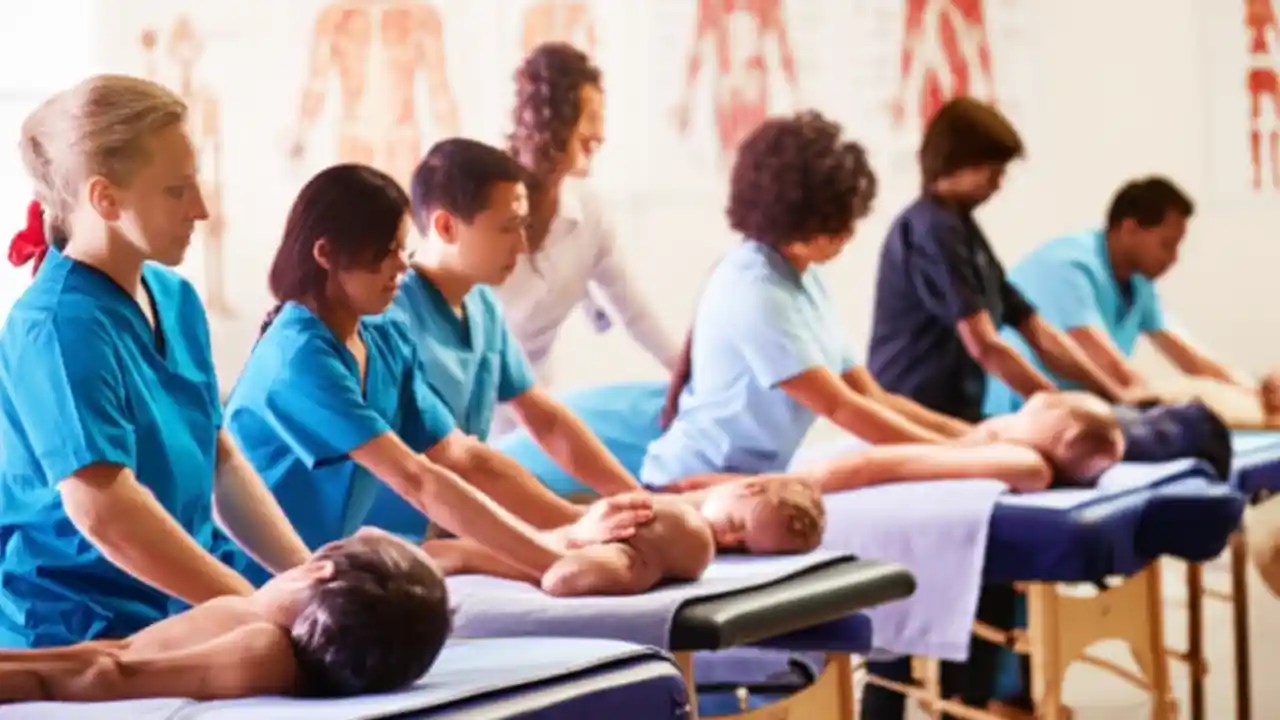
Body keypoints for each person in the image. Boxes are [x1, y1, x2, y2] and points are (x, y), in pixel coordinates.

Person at [221, 162, 654, 591]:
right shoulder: (299, 359)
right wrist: (556, 561)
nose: (401, 267)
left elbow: (462, 456)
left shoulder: (383, 333)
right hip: (258, 579)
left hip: (325, 572)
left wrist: (576, 527)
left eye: (401, 249)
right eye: (385, 252)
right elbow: (416, 479)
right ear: (326, 254)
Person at [0, 74, 312, 650]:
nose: (201, 209)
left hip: (180, 605)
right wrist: (256, 608)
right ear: (105, 199)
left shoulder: (176, 299)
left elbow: (219, 458)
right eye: (177, 190)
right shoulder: (55, 326)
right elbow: (104, 510)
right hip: (78, 628)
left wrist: (306, 582)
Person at [642, 109, 979, 502]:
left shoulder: (804, 276)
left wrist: (972, 438)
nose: (850, 232)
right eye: (838, 224)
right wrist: (964, 458)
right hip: (694, 487)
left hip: (750, 482)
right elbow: (842, 408)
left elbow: (873, 397)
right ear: (795, 224)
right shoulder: (754, 290)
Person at [367, 137, 660, 540]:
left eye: (524, 227)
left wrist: (637, 500)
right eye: (507, 229)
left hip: (463, 521)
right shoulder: (388, 319)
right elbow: (464, 462)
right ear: (446, 226)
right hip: (399, 536)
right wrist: (579, 527)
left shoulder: (483, 305)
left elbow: (546, 419)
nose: (522, 246)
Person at [868, 97, 1145, 430]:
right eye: (993, 172)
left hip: (958, 414)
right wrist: (1063, 411)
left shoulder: (963, 231)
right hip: (913, 418)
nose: (998, 184)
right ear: (960, 163)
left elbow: (1037, 331)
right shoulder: (931, 230)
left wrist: (1111, 394)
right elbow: (985, 345)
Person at [0, 527, 450, 702]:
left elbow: (110, 672)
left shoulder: (261, 648)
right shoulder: (256, 630)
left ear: (318, 568)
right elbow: (107, 655)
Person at [983, 176, 1280, 423]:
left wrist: (1255, 391)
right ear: (1129, 229)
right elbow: (1113, 370)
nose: (1173, 258)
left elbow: (1189, 356)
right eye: (1166, 245)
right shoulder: (1069, 267)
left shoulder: (1137, 283)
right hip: (1014, 413)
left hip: (1071, 416)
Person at [494, 43, 679, 414]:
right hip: (457, 413)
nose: (602, 133)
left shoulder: (589, 214)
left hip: (533, 413)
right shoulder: (483, 205)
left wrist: (689, 379)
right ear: (551, 121)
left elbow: (635, 312)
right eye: (591, 115)